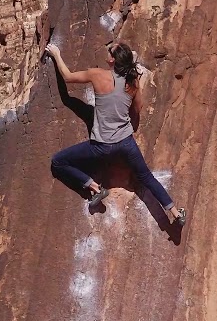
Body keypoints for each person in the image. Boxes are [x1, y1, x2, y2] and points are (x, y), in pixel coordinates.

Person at [45, 41, 186, 227]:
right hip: (126, 143)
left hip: (101, 146)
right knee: (146, 177)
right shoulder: (132, 82)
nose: (108, 49)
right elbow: (138, 108)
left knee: (58, 161)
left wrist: (56, 54)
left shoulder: (97, 75)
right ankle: (176, 213)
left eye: (110, 50)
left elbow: (68, 77)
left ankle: (94, 187)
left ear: (112, 60)